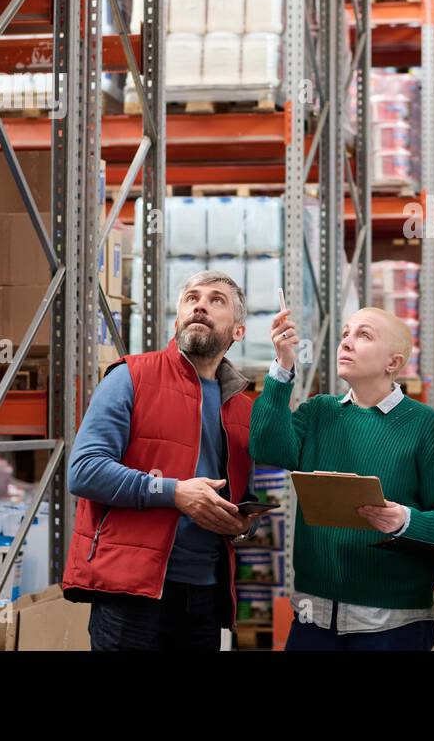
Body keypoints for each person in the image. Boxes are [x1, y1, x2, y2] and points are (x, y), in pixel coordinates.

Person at [62, 271, 262, 651]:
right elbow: (84, 470)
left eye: (217, 300)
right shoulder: (130, 377)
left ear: (238, 331)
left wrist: (238, 524)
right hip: (132, 592)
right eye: (192, 298)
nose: (200, 304)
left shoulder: (241, 409)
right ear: (178, 321)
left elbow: (240, 501)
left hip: (203, 595)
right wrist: (174, 493)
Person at [250, 305, 434, 651]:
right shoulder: (317, 412)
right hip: (313, 615)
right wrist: (282, 367)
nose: (346, 343)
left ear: (393, 363)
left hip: (393, 622)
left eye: (363, 335)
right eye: (345, 334)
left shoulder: (428, 428)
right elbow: (265, 445)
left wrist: (404, 520)